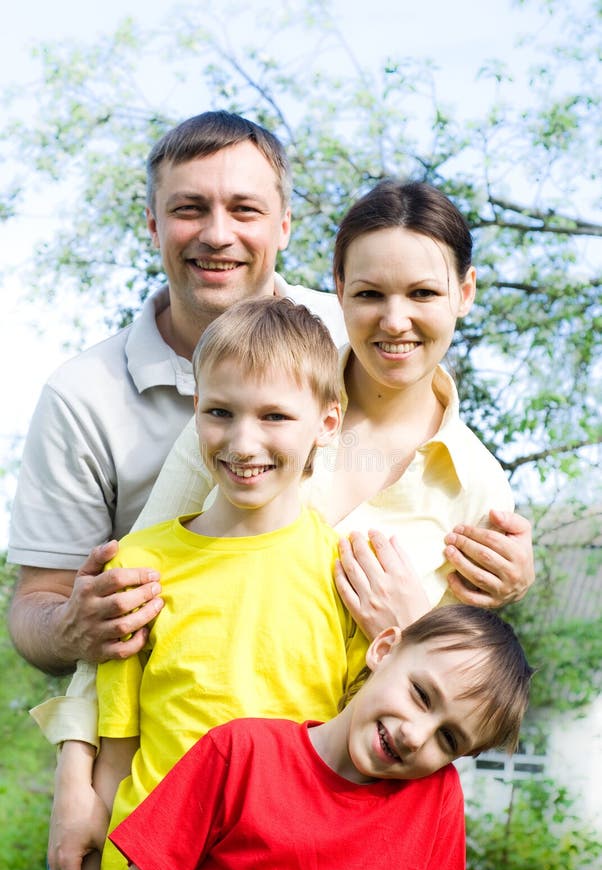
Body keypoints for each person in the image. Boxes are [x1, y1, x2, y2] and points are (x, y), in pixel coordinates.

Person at [8, 112, 533, 682]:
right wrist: (74, 633)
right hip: (172, 732)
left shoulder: (361, 328)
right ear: (154, 226)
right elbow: (43, 598)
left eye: (244, 208)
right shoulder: (82, 395)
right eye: (189, 208)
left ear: (283, 224)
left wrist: (505, 583)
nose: (216, 233)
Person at [88, 297, 369, 870]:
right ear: (196, 410)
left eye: (274, 417)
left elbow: (349, 759)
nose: (243, 443)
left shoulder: (345, 573)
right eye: (220, 411)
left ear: (326, 422)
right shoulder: (141, 564)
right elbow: (117, 752)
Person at [110, 605, 534, 870]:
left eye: (448, 740)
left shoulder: (436, 799)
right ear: (384, 651)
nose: (416, 736)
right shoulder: (240, 753)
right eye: (421, 695)